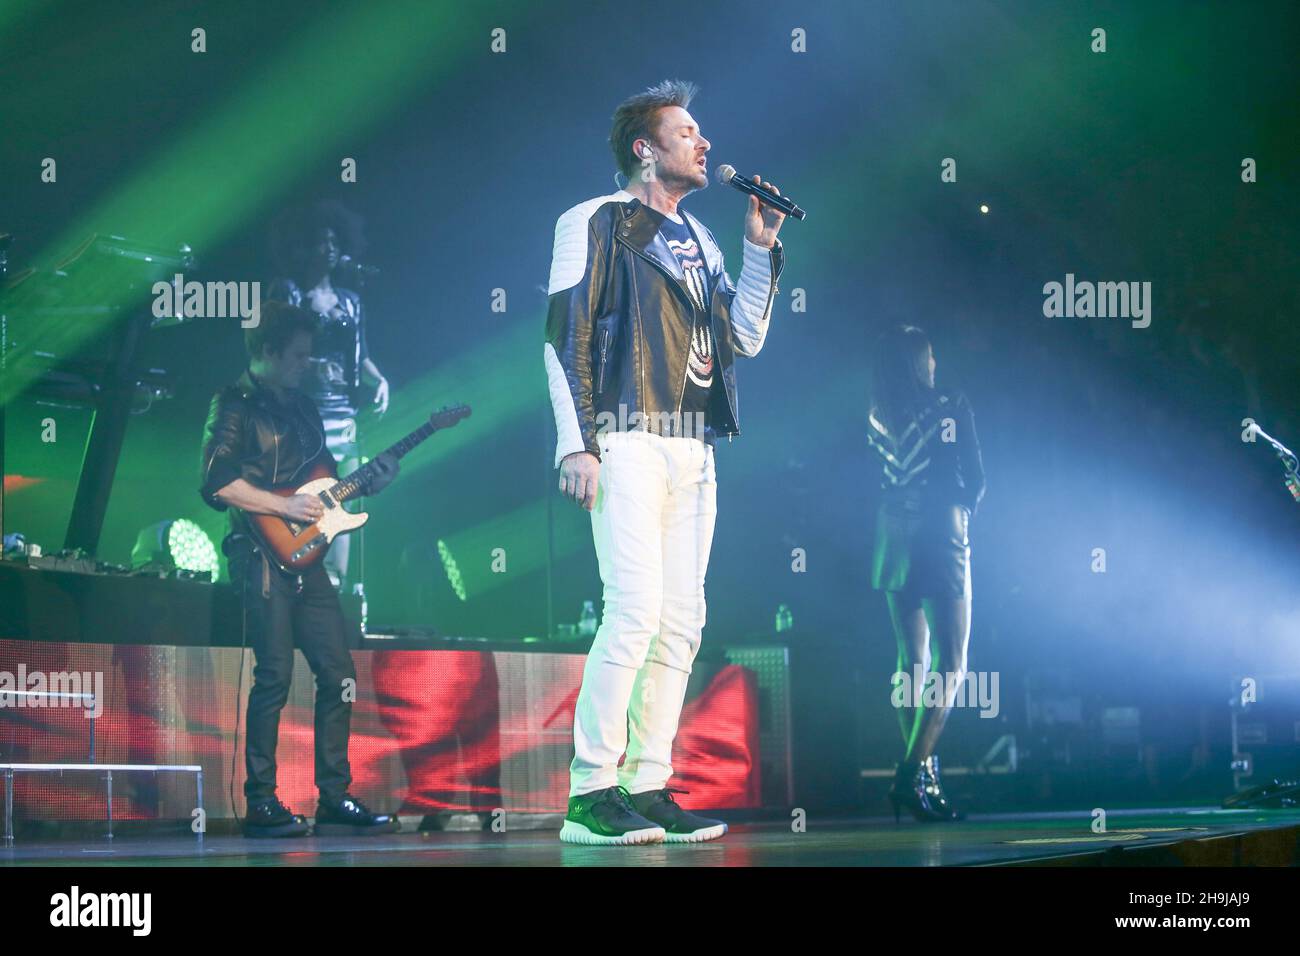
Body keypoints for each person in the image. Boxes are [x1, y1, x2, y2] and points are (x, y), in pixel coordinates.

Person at [544, 79, 788, 844]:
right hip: (625, 433)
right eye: (687, 131)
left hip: (692, 444)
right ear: (645, 149)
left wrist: (760, 248)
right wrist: (574, 441)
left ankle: (649, 784)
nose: (704, 143)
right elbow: (565, 336)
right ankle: (590, 792)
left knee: (683, 621)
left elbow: (743, 337)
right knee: (635, 611)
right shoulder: (595, 222)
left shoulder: (706, 240)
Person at [199, 301, 400, 837]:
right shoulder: (233, 404)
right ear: (265, 351)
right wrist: (282, 507)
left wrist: (367, 482)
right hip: (259, 555)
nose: (305, 364)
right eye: (296, 356)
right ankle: (261, 802)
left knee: (339, 675)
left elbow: (325, 482)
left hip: (308, 559)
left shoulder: (305, 407)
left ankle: (333, 796)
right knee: (274, 676)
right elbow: (216, 483)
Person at [866, 325, 985, 822]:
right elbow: (975, 477)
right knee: (952, 659)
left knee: (909, 658)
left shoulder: (878, 410)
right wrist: (961, 515)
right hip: (941, 526)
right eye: (931, 356)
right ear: (920, 361)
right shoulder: (949, 403)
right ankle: (911, 773)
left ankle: (923, 777)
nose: (936, 363)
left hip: (893, 527)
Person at [267, 201, 390, 591]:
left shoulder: (351, 300)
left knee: (346, 496)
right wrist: (311, 364)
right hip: (303, 408)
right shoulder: (288, 292)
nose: (330, 248)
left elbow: (362, 354)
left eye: (335, 241)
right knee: (304, 489)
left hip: (344, 411)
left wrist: (380, 380)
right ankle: (297, 566)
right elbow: (272, 345)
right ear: (304, 246)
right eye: (322, 241)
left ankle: (338, 583)